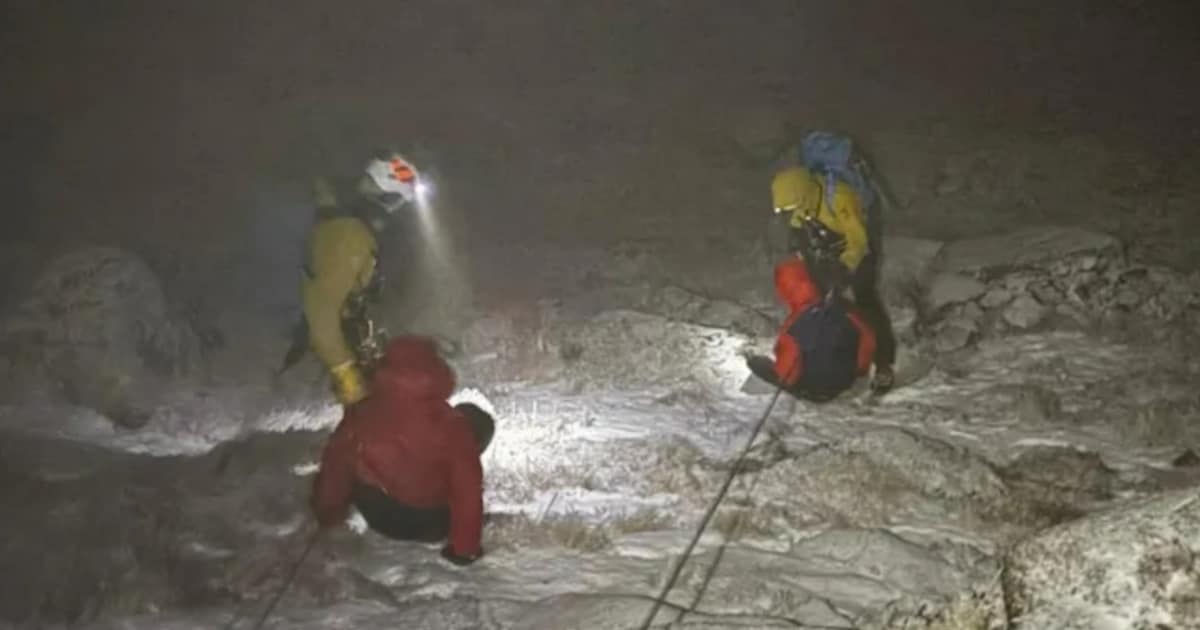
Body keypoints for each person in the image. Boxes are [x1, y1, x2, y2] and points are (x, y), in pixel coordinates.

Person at [310, 335, 494, 566]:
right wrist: (464, 549)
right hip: (433, 523)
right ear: (436, 370)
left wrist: (328, 513)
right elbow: (467, 490)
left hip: (380, 515)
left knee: (353, 458)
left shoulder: (363, 413)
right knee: (471, 426)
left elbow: (336, 466)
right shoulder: (452, 425)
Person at [282, 152, 426, 406]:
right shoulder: (349, 235)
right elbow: (321, 312)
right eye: (396, 204)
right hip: (310, 353)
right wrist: (345, 372)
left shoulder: (342, 226)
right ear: (387, 197)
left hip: (317, 346)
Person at [770, 164, 896, 393]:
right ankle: (820, 358)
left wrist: (845, 267)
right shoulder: (803, 199)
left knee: (865, 298)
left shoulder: (840, 197)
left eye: (791, 206)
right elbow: (798, 228)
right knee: (820, 302)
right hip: (829, 248)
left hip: (857, 249)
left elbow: (858, 239)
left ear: (802, 193)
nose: (791, 210)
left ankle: (883, 363)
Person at [746, 255, 876, 402]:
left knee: (757, 363)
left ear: (784, 291)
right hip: (845, 382)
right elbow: (868, 338)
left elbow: (788, 374)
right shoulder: (843, 309)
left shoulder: (794, 324)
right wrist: (859, 370)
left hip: (813, 391)